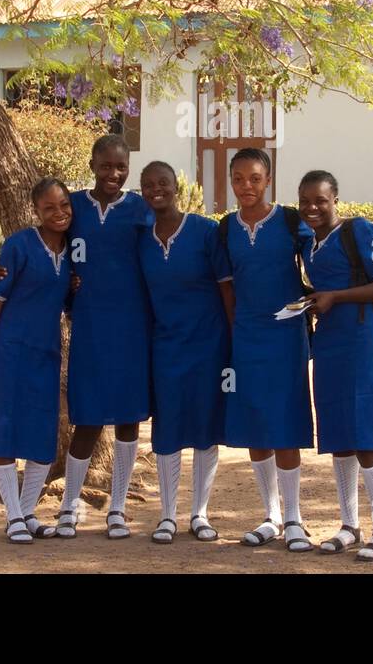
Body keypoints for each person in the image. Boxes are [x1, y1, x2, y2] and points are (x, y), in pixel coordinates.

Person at [297, 169, 373, 562]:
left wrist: (336, 297)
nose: (312, 208)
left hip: (361, 342)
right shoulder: (310, 242)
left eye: (320, 200)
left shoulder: (359, 231)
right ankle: (349, 526)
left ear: (335, 199)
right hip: (329, 345)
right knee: (339, 437)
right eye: (305, 200)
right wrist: (312, 299)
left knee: (366, 436)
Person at [56, 134, 155, 539]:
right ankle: (69, 506)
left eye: (121, 167)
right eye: (106, 165)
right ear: (93, 164)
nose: (113, 173)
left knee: (129, 419)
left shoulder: (139, 209)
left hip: (132, 328)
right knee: (88, 419)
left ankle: (116, 508)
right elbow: (50, 248)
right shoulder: (73, 207)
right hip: (91, 328)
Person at [219, 148, 317, 552]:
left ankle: (294, 519)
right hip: (246, 337)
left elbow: (323, 266)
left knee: (285, 423)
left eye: (254, 178)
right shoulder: (225, 228)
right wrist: (233, 334)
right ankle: (271, 516)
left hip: (286, 335)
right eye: (239, 178)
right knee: (255, 424)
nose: (246, 186)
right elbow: (225, 287)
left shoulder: (292, 222)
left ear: (268, 180)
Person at [0, 177, 73, 544]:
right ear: (36, 211)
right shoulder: (18, 246)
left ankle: (27, 511)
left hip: (47, 354)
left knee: (43, 435)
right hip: (10, 352)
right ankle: (12, 515)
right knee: (6, 431)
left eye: (64, 205)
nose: (58, 213)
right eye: (49, 208)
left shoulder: (75, 251)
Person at [136, 161, 232, 544]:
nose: (156, 189)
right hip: (165, 346)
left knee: (205, 429)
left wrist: (234, 342)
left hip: (209, 344)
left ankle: (200, 514)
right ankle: (167, 516)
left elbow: (227, 289)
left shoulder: (206, 232)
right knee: (168, 428)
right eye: (148, 185)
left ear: (177, 187)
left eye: (163, 183)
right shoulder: (140, 238)